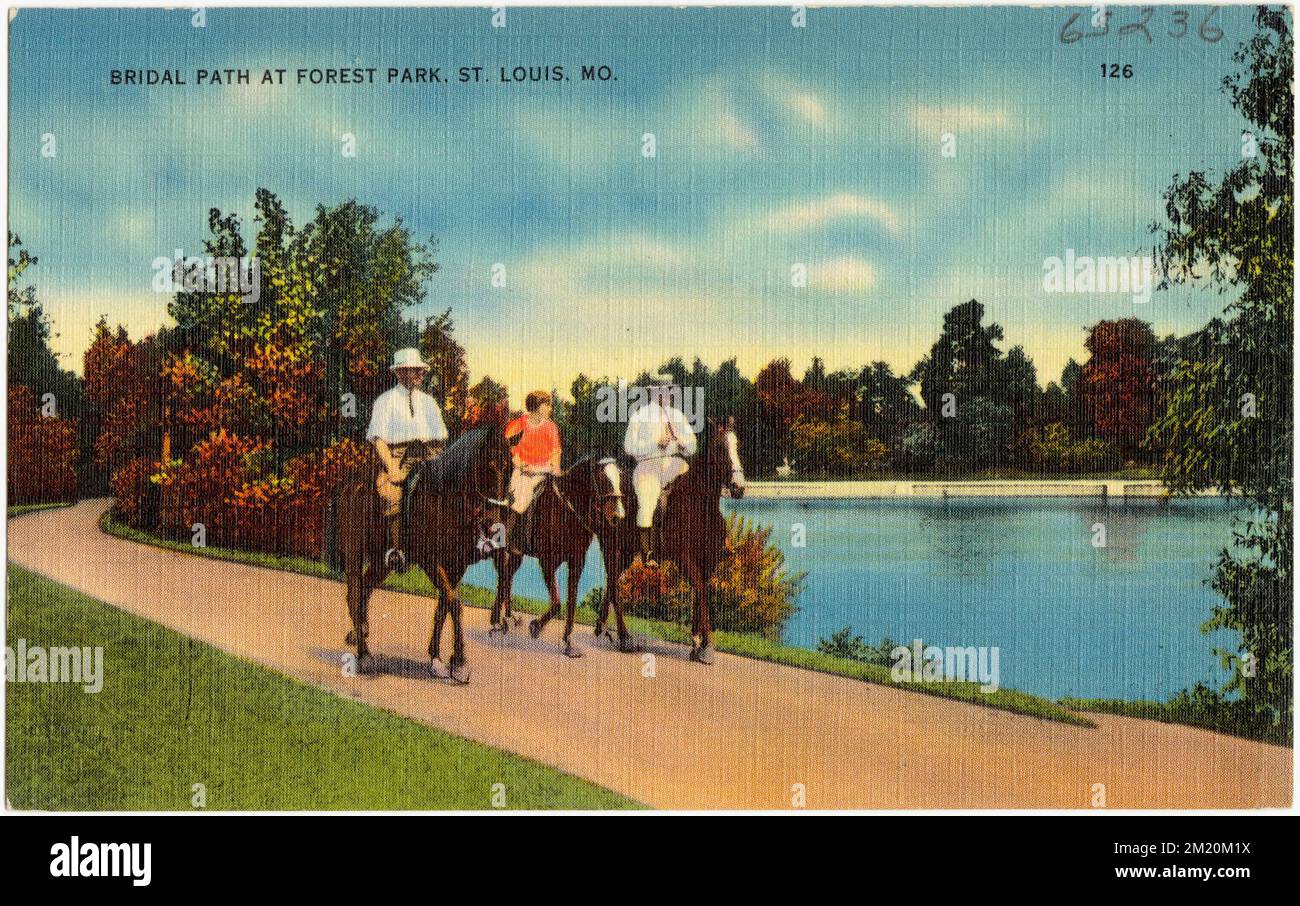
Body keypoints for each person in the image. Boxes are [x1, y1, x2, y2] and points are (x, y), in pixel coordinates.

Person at [366, 348, 448, 571]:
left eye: (422, 370)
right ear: (401, 373)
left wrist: (435, 455)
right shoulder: (386, 401)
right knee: (392, 494)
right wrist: (392, 467)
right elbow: (378, 438)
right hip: (396, 457)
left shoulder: (429, 402)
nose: (422, 373)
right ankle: (396, 550)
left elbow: (441, 435)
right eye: (416, 370)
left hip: (428, 456)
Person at [623, 375, 696, 565]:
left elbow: (693, 447)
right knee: (647, 502)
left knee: (693, 485)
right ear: (653, 392)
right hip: (648, 464)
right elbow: (629, 446)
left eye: (670, 390)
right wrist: (655, 443)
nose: (668, 394)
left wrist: (682, 442)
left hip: (673, 463)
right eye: (663, 390)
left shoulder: (678, 416)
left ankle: (694, 537)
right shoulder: (640, 415)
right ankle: (648, 553)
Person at [502, 390, 562, 554]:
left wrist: (556, 470)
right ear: (536, 406)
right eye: (546, 404)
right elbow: (510, 449)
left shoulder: (551, 427)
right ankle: (507, 538)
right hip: (523, 472)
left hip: (545, 471)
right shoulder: (518, 424)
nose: (550, 408)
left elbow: (556, 451)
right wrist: (521, 465)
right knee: (522, 498)